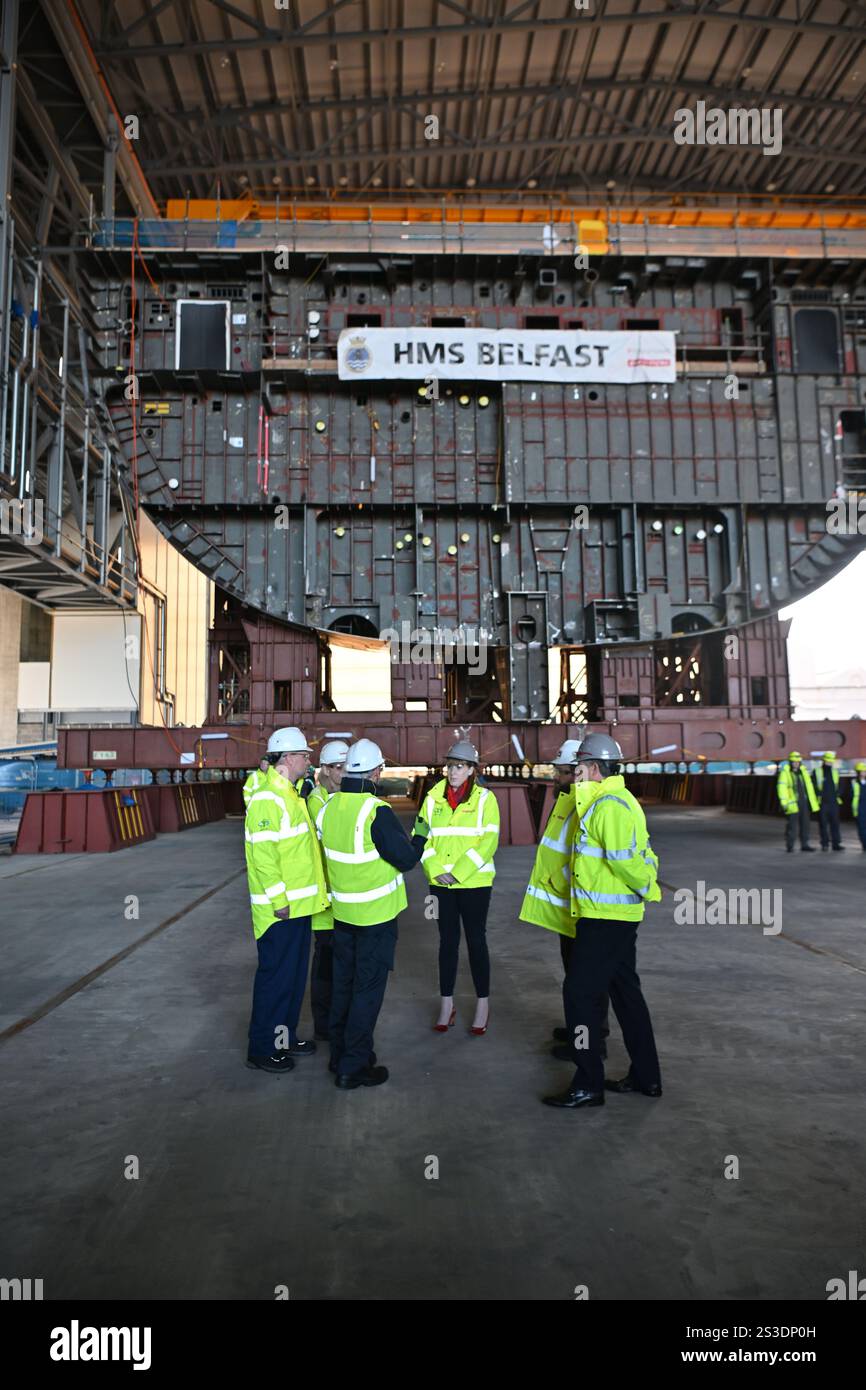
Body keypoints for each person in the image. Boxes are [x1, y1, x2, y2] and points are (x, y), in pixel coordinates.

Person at [543, 733, 662, 1111]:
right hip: (613, 916)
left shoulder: (607, 806)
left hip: (605, 917)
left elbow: (627, 860)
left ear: (593, 767)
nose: (574, 773)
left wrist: (648, 887)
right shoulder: (607, 801)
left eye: (578, 766)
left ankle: (588, 1084)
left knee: (579, 995)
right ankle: (647, 1077)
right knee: (626, 994)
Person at [317, 739, 428, 1089]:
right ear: (377, 771)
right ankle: (354, 1067)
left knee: (344, 987)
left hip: (343, 916)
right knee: (367, 992)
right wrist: (421, 837)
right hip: (375, 918)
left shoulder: (328, 808)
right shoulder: (375, 811)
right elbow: (407, 859)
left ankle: (340, 1057)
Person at [518, 739, 611, 1060]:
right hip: (569, 907)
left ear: (577, 772)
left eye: (560, 771)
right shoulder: (568, 801)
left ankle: (590, 1041)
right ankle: (580, 1031)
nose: (555, 777)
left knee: (584, 984)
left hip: (585, 908)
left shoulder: (586, 806)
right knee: (575, 977)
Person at [244, 727, 329, 1073]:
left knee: (293, 981)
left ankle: (284, 1038)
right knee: (276, 980)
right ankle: (262, 1049)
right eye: (305, 756)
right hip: (279, 911)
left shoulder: (291, 795)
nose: (309, 762)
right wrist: (279, 899)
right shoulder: (269, 799)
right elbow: (264, 857)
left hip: (298, 908)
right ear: (289, 758)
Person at [415, 741, 500, 1035]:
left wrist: (459, 873)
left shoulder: (486, 800)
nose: (452, 772)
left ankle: (482, 1005)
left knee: (477, 941)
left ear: (472, 770)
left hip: (475, 884)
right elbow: (420, 837)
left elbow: (488, 842)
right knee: (446, 942)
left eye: (460, 767)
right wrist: (437, 871)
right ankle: (447, 1004)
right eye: (450, 766)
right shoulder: (431, 798)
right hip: (439, 886)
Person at [305, 740, 349, 1040]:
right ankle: (323, 1025)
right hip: (326, 903)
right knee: (324, 966)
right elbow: (331, 829)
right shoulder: (316, 799)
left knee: (343, 965)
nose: (343, 773)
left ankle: (339, 1020)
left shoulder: (344, 797)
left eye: (347, 767)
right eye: (337, 767)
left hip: (346, 899)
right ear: (324, 769)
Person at [775, 751, 818, 853]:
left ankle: (805, 844)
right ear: (790, 762)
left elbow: (809, 787)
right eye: (794, 762)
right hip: (792, 803)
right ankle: (790, 846)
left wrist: (812, 802)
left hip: (804, 803)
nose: (796, 763)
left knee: (805, 825)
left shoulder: (803, 772)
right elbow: (782, 788)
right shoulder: (785, 773)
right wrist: (784, 802)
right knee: (792, 826)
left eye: (797, 762)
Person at [815, 751, 845, 852]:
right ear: (823, 761)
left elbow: (841, 785)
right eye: (827, 761)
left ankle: (836, 844)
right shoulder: (817, 771)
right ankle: (825, 844)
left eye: (830, 761)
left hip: (834, 802)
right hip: (823, 803)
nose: (829, 763)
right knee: (823, 824)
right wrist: (819, 794)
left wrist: (838, 794)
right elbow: (813, 786)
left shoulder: (835, 772)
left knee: (835, 824)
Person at [852, 762, 866, 852]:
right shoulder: (854, 782)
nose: (863, 773)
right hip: (859, 807)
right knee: (862, 828)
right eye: (861, 771)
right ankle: (864, 845)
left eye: (864, 771)